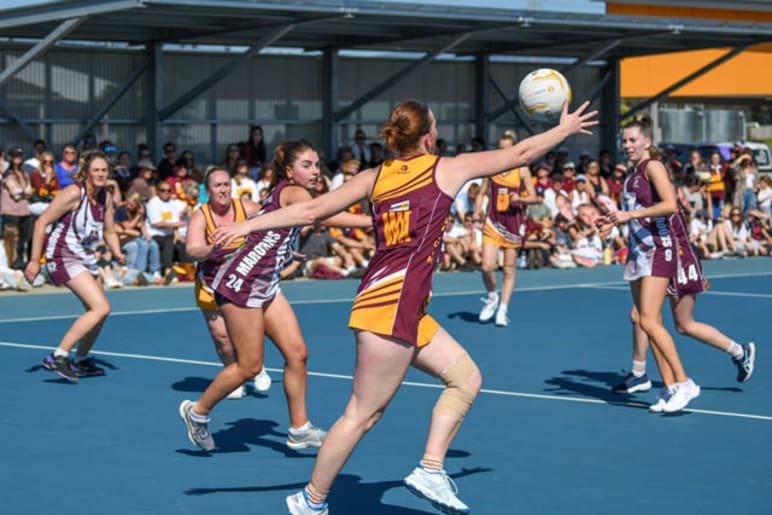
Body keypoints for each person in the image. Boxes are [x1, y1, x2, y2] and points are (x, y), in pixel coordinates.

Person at [211, 99, 597, 514]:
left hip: (401, 305)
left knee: (466, 379)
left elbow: (310, 209)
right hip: (390, 305)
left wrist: (247, 224)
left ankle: (430, 469)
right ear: (429, 135)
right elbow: (518, 154)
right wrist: (564, 129)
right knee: (362, 415)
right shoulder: (444, 169)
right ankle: (310, 500)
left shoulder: (375, 176)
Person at [179, 141, 371, 453]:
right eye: (306, 165)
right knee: (249, 367)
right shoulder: (293, 192)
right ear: (288, 170)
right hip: (243, 283)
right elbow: (321, 214)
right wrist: (374, 220)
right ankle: (197, 411)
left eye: (316, 164)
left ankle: (299, 429)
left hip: (266, 283)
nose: (314, 171)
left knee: (297, 354)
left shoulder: (286, 192)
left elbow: (318, 216)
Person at [599, 114, 699, 413]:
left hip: (659, 249)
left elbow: (670, 205)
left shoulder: (653, 167)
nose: (627, 145)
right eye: (624, 140)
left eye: (632, 140)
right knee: (645, 320)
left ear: (647, 141)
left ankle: (684, 383)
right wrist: (613, 221)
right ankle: (669, 388)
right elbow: (636, 213)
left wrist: (628, 216)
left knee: (650, 321)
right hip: (639, 251)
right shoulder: (631, 174)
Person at [612, 203, 756, 407]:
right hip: (657, 260)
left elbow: (660, 223)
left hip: (677, 261)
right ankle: (644, 375)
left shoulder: (660, 197)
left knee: (682, 324)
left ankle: (739, 352)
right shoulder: (640, 193)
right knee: (642, 316)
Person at [24, 151, 125, 382]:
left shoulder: (105, 198)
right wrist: (33, 260)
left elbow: (109, 230)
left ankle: (80, 359)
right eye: (96, 170)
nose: (101, 174)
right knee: (101, 307)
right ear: (86, 173)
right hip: (63, 255)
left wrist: (116, 250)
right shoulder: (73, 193)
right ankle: (58, 356)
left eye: (104, 170)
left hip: (86, 256)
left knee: (99, 315)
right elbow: (41, 222)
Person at [184, 167, 272, 400]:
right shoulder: (201, 216)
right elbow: (192, 249)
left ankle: (256, 365)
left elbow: (275, 223)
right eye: (217, 186)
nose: (223, 190)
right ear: (208, 191)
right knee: (220, 335)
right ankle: (234, 376)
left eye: (226, 185)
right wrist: (212, 249)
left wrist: (287, 247)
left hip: (242, 278)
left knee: (246, 327)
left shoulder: (247, 208)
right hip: (211, 280)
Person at [473, 131, 538, 327]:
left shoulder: (522, 170)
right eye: (500, 148)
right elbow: (481, 193)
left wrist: (521, 199)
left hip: (512, 223)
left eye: (507, 148)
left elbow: (535, 197)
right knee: (486, 266)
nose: (503, 152)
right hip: (493, 222)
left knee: (509, 269)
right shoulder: (492, 169)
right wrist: (477, 211)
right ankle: (492, 297)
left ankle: (503, 309)